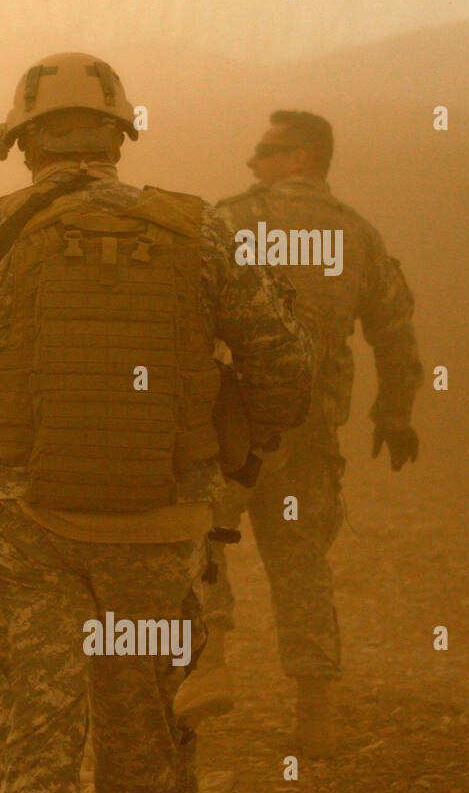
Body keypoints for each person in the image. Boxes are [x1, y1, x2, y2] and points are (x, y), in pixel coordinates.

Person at [0, 55, 314, 793]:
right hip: (161, 532)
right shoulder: (202, 231)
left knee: (38, 750)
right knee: (145, 747)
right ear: (119, 137)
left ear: (24, 143)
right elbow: (287, 372)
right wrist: (233, 464)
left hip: (28, 529)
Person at [178, 111, 423, 757]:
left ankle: (210, 665)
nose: (252, 162)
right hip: (310, 435)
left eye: (264, 150)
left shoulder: (228, 221)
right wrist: (394, 414)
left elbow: (181, 316)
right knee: (303, 566)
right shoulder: (358, 235)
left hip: (228, 432)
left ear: (301, 157)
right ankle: (316, 716)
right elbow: (395, 332)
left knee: (199, 542)